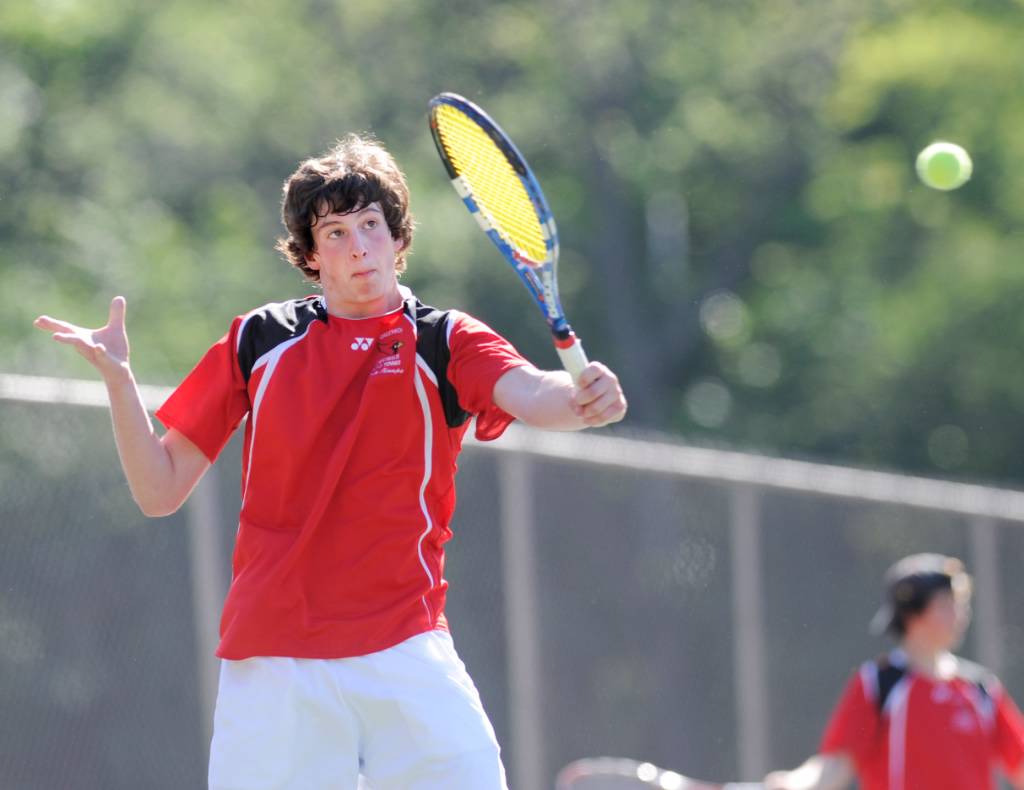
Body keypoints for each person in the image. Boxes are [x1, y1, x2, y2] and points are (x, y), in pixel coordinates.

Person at [34, 134, 627, 790]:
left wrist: (581, 401)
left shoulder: (444, 340)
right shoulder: (260, 340)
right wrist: (119, 382)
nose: (358, 246)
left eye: (371, 225)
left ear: (398, 240)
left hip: (404, 647)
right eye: (335, 232)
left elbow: (534, 393)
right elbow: (159, 489)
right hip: (274, 661)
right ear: (311, 257)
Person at [763, 553, 1024, 790]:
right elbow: (836, 765)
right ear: (913, 614)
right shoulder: (878, 683)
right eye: (947, 604)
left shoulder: (981, 688)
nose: (962, 614)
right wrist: (793, 783)